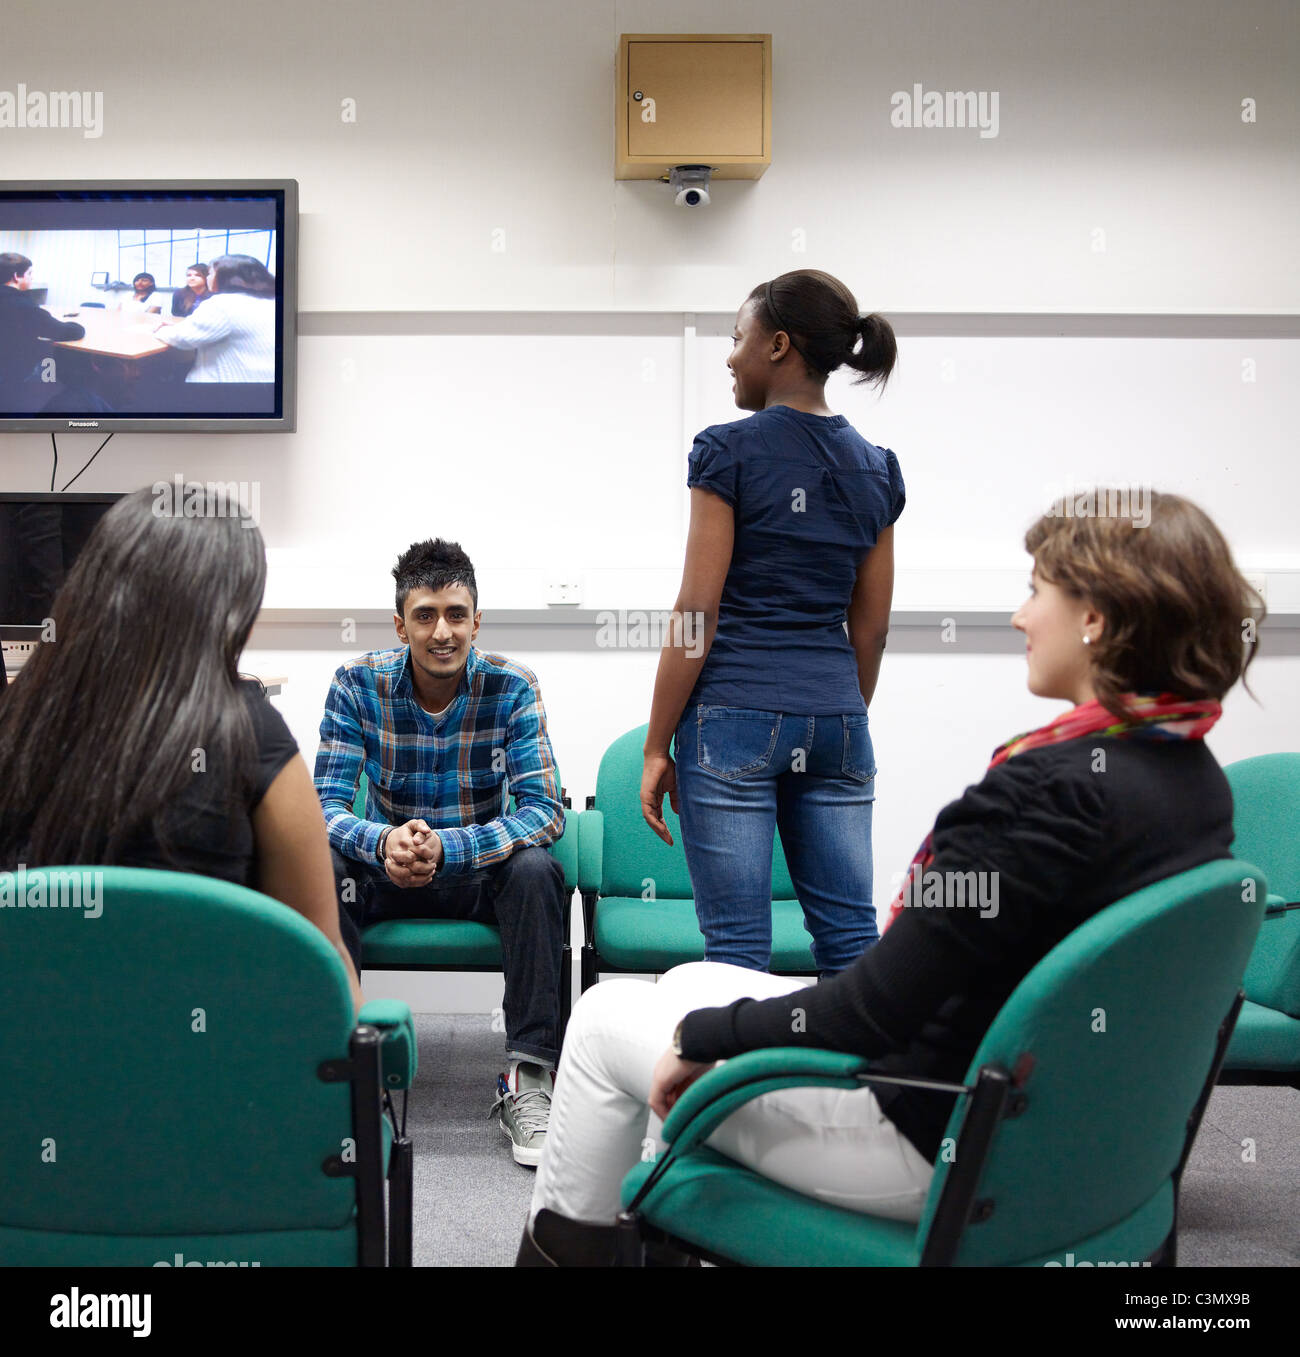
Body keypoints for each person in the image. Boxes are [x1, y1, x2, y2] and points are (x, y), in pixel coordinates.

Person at [518, 489, 1265, 1265]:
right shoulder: (1196, 780)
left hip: (928, 1135)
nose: (1019, 616)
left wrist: (706, 1041)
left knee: (607, 1020)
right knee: (688, 979)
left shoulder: (1045, 795)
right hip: (1063, 1138)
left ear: (1096, 620)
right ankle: (660, 1217)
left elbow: (872, 1011)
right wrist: (703, 1021)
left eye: (1036, 589)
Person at [0, 485, 363, 1016]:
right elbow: (316, 958)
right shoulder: (253, 733)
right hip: (211, 1079)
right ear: (229, 610)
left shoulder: (17, 726)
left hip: (31, 1078)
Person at [641, 269, 903, 976]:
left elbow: (697, 611)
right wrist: (840, 713)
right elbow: (871, 628)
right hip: (838, 720)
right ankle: (862, 1090)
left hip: (731, 719)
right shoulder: (876, 468)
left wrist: (656, 743)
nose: (730, 355)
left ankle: (739, 1091)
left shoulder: (726, 451)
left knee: (735, 951)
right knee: (851, 942)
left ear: (779, 344)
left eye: (737, 338)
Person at [315, 537, 568, 1167]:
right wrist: (381, 840)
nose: (442, 631)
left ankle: (529, 1078)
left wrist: (449, 847)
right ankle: (342, 1072)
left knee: (538, 871)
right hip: (383, 870)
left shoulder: (512, 687)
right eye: (425, 615)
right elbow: (321, 807)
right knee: (327, 866)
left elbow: (545, 810)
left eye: (457, 614)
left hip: (474, 874)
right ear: (401, 625)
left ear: (477, 621)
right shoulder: (356, 683)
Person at [152, 253, 276, 382]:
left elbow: (184, 338)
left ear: (225, 277)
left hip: (228, 385)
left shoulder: (223, 303)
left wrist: (159, 330)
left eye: (210, 274)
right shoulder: (271, 301)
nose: (208, 278)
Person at [0, 252, 86, 385]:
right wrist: (78, 325)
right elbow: (67, 332)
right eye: (29, 273)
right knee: (61, 358)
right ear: (16, 276)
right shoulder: (23, 306)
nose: (32, 278)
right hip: (13, 373)